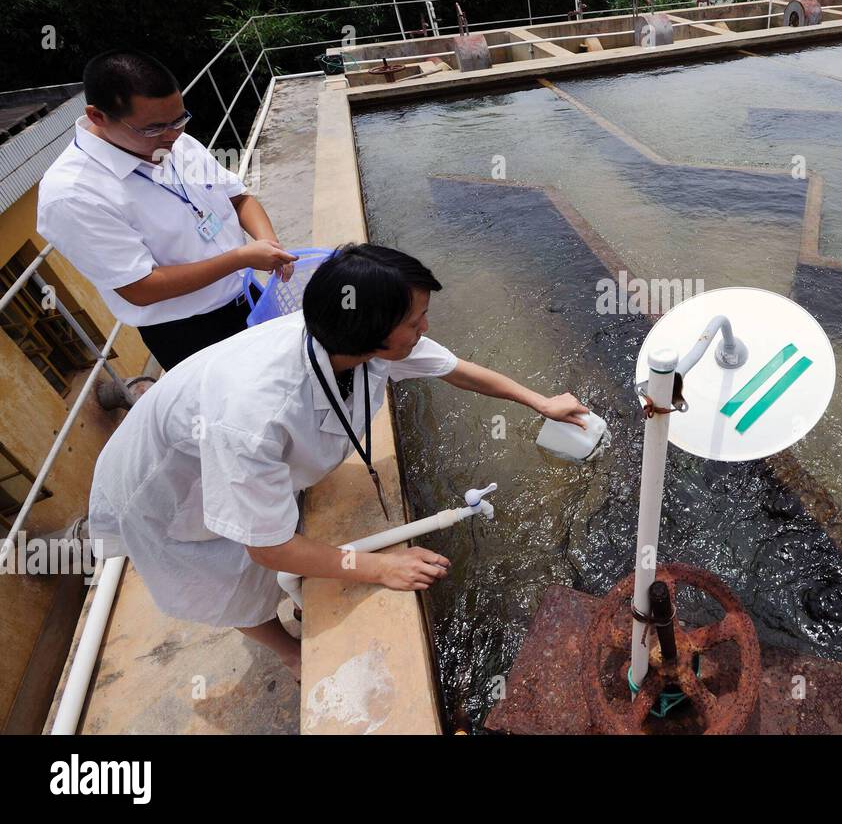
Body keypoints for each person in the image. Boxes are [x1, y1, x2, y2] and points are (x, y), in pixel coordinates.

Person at [88, 243, 589, 681]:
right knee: (226, 577)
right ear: (373, 335)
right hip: (166, 486)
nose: (425, 328)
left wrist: (542, 403)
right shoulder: (253, 415)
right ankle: (288, 652)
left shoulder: (352, 338)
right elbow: (269, 548)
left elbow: (456, 370)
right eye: (415, 321)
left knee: (255, 542)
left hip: (211, 447)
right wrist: (374, 567)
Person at [37, 49, 298, 398]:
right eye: (154, 127)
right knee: (239, 411)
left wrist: (269, 245)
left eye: (179, 119)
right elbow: (141, 288)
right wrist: (242, 257)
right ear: (98, 116)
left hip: (248, 295)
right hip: (190, 332)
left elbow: (239, 198)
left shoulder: (177, 142)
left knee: (286, 387)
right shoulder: (73, 194)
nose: (171, 135)